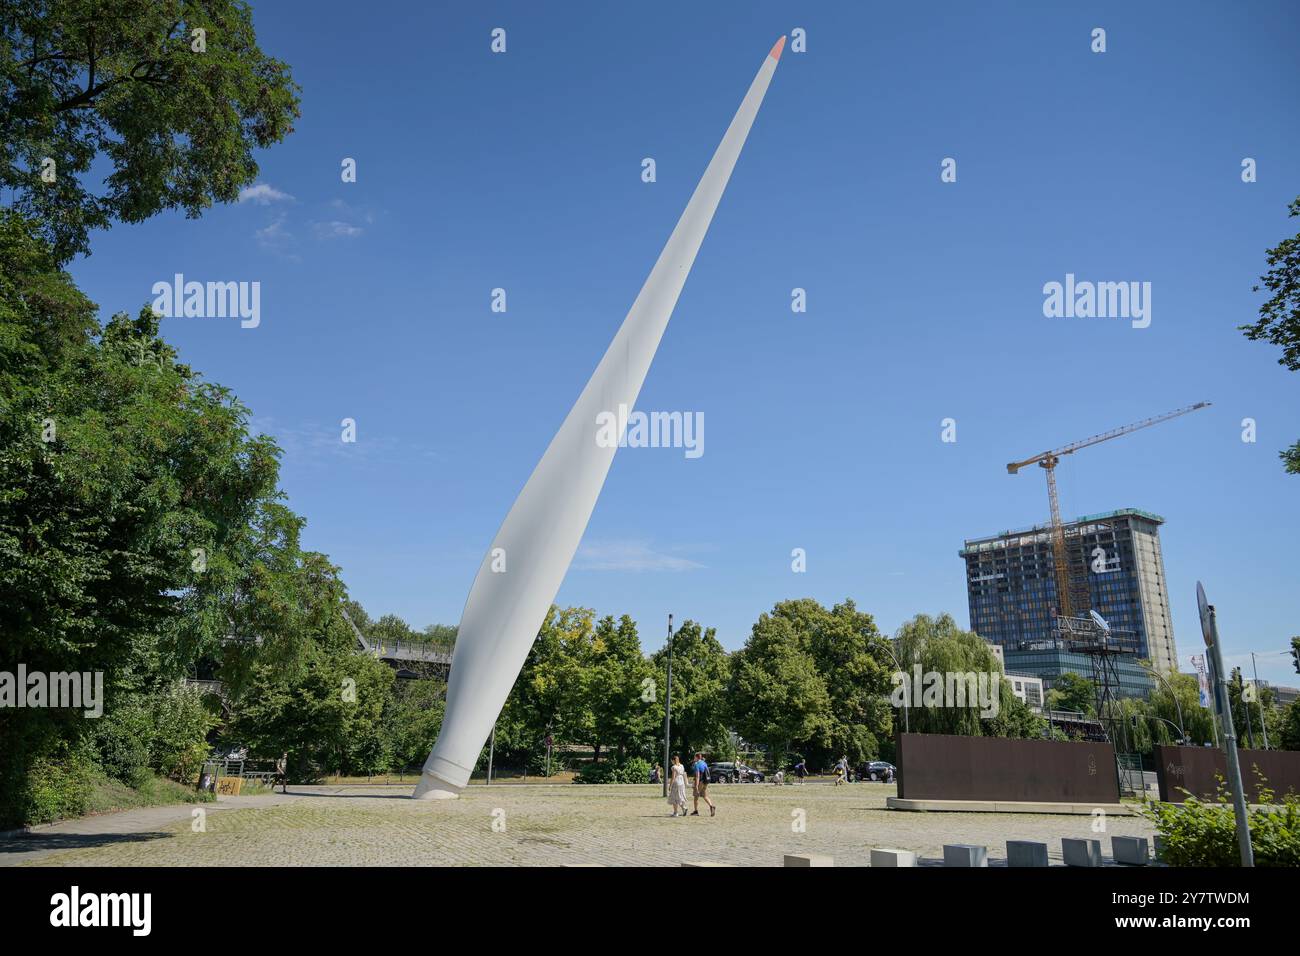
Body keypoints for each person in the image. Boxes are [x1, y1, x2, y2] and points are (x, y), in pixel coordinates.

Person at [691, 752, 715, 817]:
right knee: (704, 795)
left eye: (694, 757)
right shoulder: (704, 763)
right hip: (706, 781)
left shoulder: (697, 764)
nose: (694, 758)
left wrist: (696, 785)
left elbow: (698, 776)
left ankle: (696, 811)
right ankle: (711, 806)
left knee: (696, 796)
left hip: (700, 782)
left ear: (696, 757)